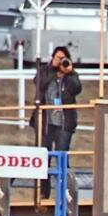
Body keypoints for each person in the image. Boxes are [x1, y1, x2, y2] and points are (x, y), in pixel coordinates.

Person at [31, 46, 82, 199]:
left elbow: (76, 89)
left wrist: (69, 73)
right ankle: (43, 192)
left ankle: (64, 192)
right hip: (45, 121)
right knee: (43, 157)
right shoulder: (45, 71)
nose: (61, 61)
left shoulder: (71, 74)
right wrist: (53, 69)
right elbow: (39, 83)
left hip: (64, 123)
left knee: (62, 157)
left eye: (63, 58)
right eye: (57, 58)